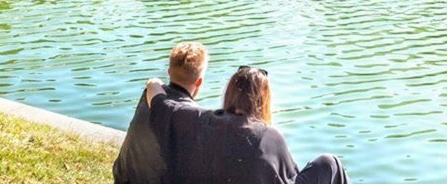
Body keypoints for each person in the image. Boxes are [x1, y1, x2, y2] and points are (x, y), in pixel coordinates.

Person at [145, 65, 347, 184]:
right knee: (330, 163)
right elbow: (290, 178)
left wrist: (153, 82)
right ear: (263, 100)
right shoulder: (268, 136)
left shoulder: (199, 119)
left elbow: (157, 99)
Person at [116, 42, 208, 184]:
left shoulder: (149, 95)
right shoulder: (192, 115)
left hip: (123, 178)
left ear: (169, 72)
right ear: (199, 81)